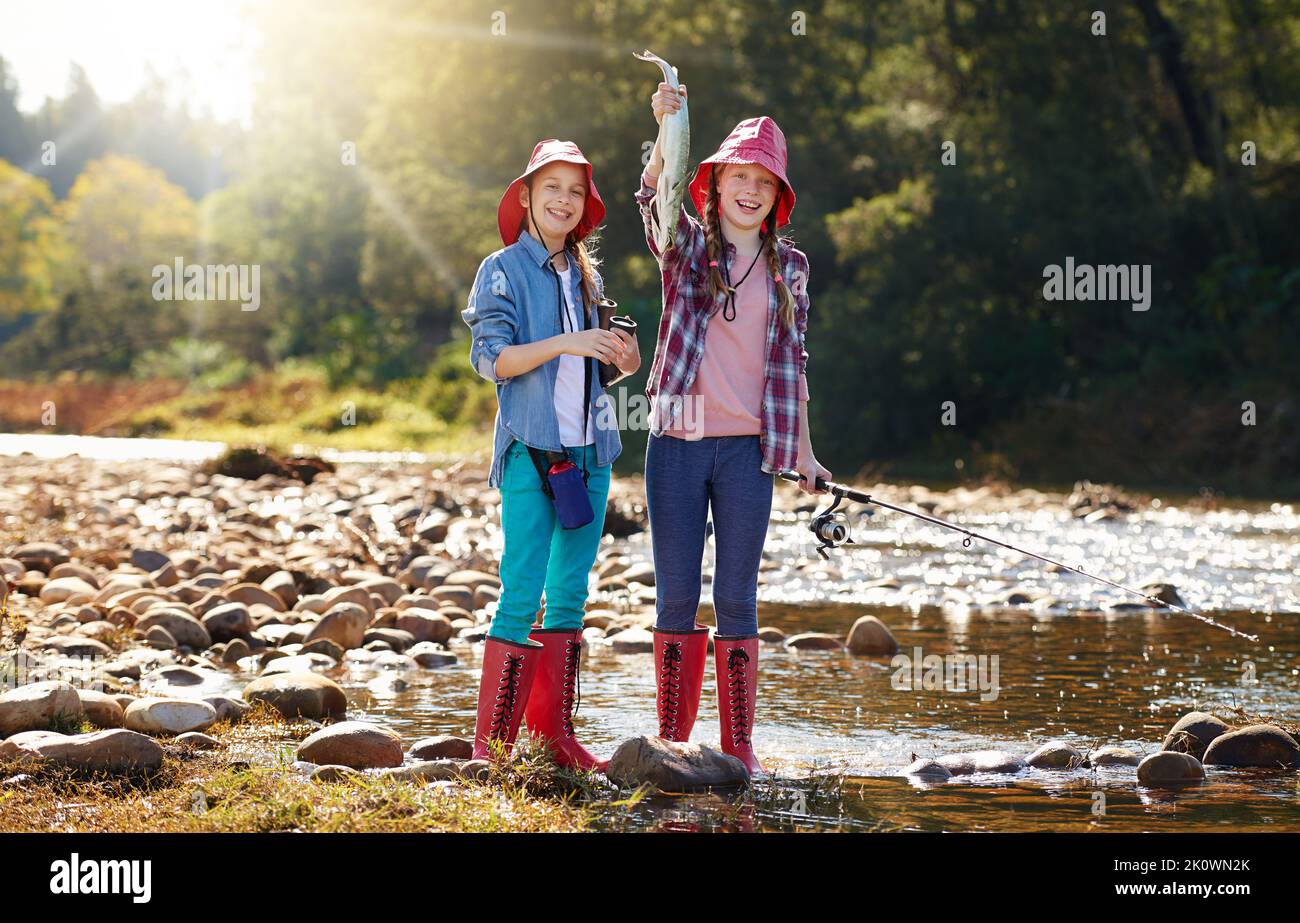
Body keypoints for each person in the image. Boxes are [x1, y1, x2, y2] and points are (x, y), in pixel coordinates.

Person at [636, 82, 830, 776]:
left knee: (737, 596)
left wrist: (804, 451)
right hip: (677, 444)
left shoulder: (792, 270)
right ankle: (670, 739)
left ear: (777, 197)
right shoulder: (687, 250)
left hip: (751, 451)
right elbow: (656, 204)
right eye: (737, 178)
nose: (749, 190)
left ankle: (738, 744)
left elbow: (794, 362)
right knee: (678, 594)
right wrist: (666, 128)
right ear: (714, 186)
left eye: (762, 182)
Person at [461, 139, 639, 770]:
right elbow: (492, 361)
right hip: (529, 455)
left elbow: (596, 374)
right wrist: (568, 340)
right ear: (528, 197)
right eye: (552, 187)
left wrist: (622, 359)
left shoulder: (587, 277)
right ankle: (492, 749)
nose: (564, 199)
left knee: (568, 597)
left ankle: (553, 740)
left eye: (575, 190)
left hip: (590, 456)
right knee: (520, 592)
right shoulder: (501, 269)